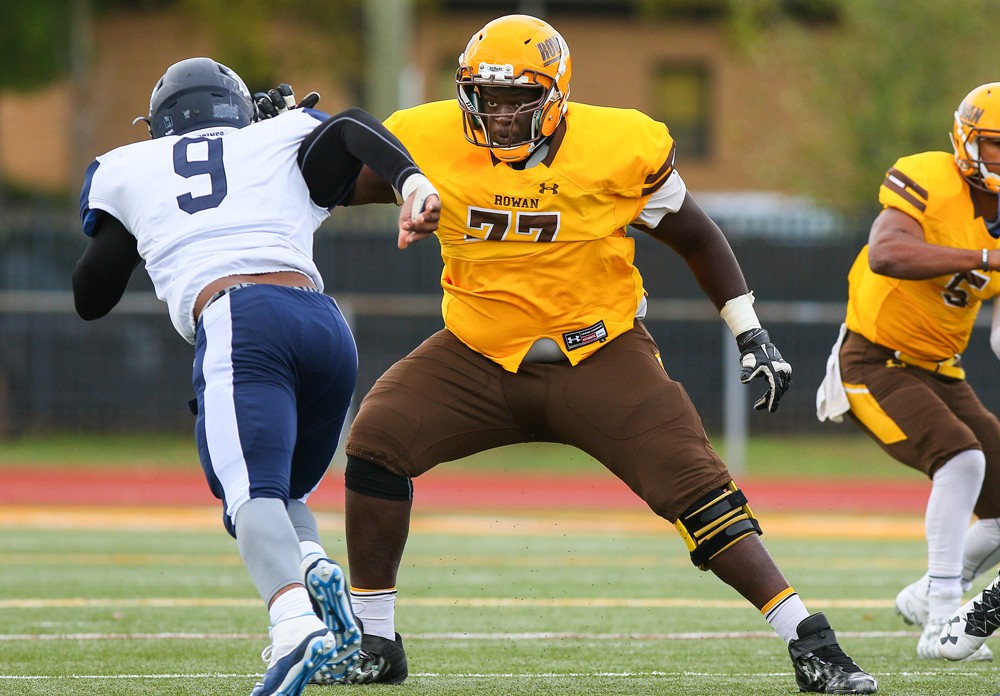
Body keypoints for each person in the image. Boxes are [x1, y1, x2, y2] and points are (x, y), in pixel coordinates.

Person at [332, 14, 876, 693]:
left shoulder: (621, 146)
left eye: (516, 99)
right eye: (485, 97)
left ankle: (808, 639)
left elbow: (698, 238)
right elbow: (329, 179)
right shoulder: (428, 137)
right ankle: (375, 640)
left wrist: (751, 332)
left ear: (555, 95)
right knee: (376, 442)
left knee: (698, 490)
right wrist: (272, 145)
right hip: (476, 354)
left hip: (599, 353)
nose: (498, 115)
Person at [71, 57, 440, 696]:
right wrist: (408, 181)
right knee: (281, 494)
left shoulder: (126, 167)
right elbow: (351, 125)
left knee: (248, 499)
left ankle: (295, 626)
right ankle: (315, 570)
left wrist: (143, 228)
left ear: (158, 123)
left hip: (241, 318)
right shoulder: (281, 133)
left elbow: (90, 294)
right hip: (324, 328)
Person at [817, 82, 1000, 662]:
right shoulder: (931, 177)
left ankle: (929, 594)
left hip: (943, 369)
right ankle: (945, 613)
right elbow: (886, 253)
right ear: (968, 142)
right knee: (962, 457)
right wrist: (986, 258)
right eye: (997, 146)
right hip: (874, 359)